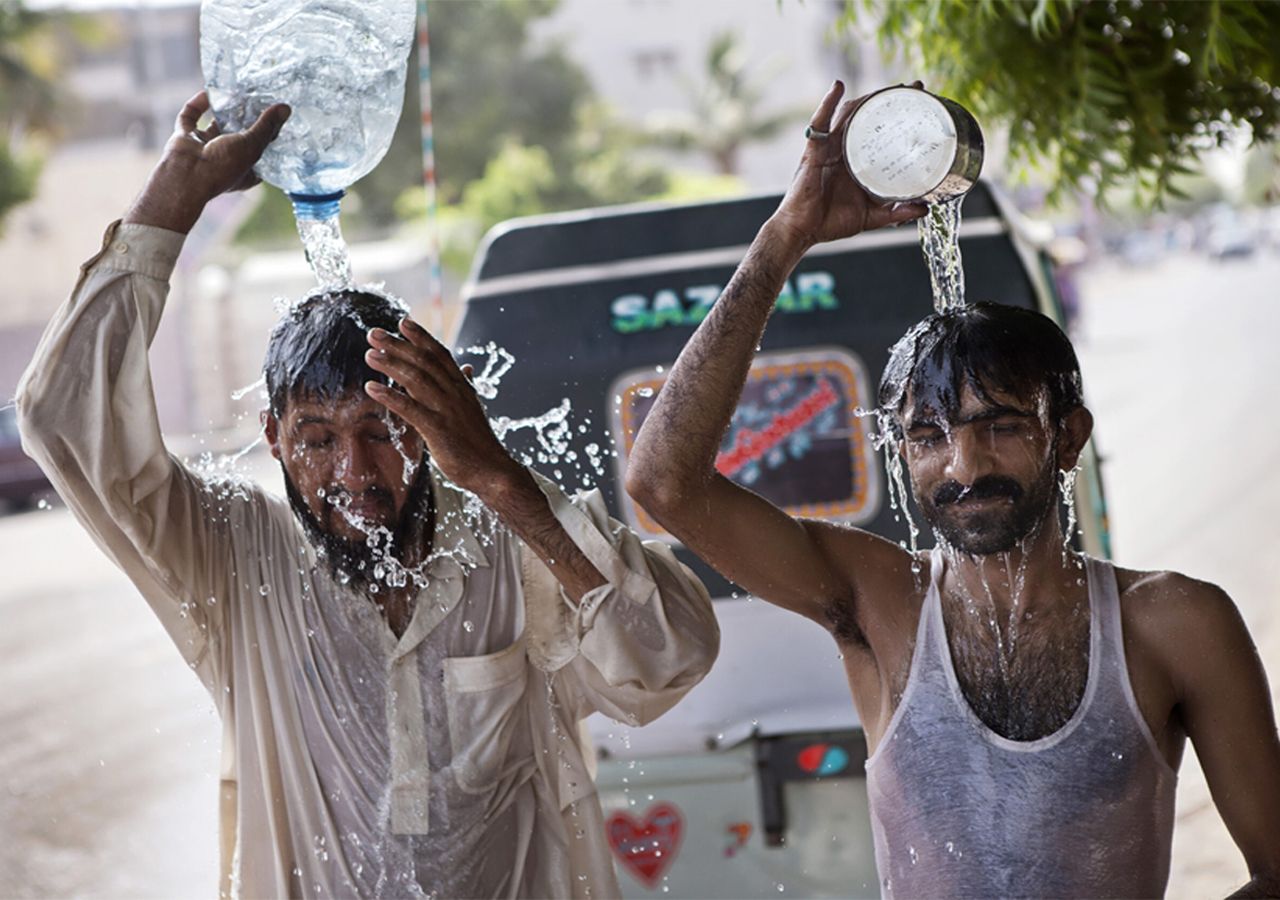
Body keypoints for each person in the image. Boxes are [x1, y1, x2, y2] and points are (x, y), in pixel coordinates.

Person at [16, 93, 719, 899]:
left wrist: (497, 478)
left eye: (384, 429)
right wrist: (171, 204)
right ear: (272, 436)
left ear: (435, 421)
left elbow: (670, 660)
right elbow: (60, 417)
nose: (354, 471)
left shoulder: (508, 549)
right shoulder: (236, 559)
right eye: (317, 440)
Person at [626, 81, 1280, 898]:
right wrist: (785, 237)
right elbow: (663, 484)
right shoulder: (879, 602)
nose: (964, 469)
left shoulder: (1175, 623)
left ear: (1067, 437)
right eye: (929, 438)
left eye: (1000, 426)